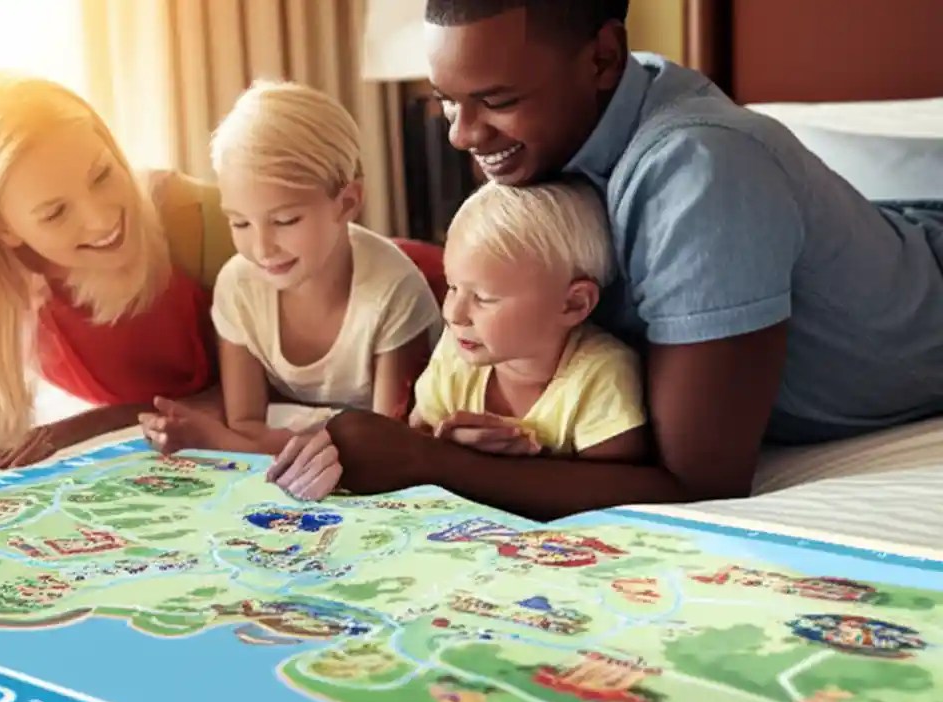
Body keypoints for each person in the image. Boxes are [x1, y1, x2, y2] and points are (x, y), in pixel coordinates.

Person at [267, 0, 943, 520]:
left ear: (603, 58)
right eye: (448, 99)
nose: (461, 134)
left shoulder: (702, 171)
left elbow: (698, 485)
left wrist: (427, 462)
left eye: (496, 101)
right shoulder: (551, 139)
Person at [0, 73, 236, 489]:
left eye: (102, 174)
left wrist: (86, 427)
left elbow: (295, 384)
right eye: (54, 213)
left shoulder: (197, 219)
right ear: (0, 228)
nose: (103, 219)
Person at [139, 80, 442, 461]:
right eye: (240, 223)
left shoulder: (393, 293)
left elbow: (387, 447)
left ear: (347, 202)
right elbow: (246, 422)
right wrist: (236, 439)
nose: (262, 248)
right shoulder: (238, 285)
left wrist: (219, 443)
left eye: (284, 220)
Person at [412, 178, 647, 461]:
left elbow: (618, 488)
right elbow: (415, 439)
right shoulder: (456, 354)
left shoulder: (600, 375)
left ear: (573, 303)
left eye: (484, 298)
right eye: (452, 288)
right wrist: (446, 443)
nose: (453, 314)